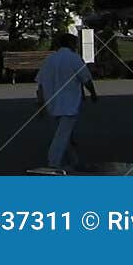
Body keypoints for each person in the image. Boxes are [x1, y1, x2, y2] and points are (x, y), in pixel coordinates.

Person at [35, 32, 96, 171]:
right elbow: (86, 79)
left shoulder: (50, 59)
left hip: (52, 102)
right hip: (69, 103)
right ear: (71, 44)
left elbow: (40, 84)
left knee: (64, 133)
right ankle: (53, 162)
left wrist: (40, 103)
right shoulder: (74, 58)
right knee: (62, 135)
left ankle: (74, 161)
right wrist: (93, 94)